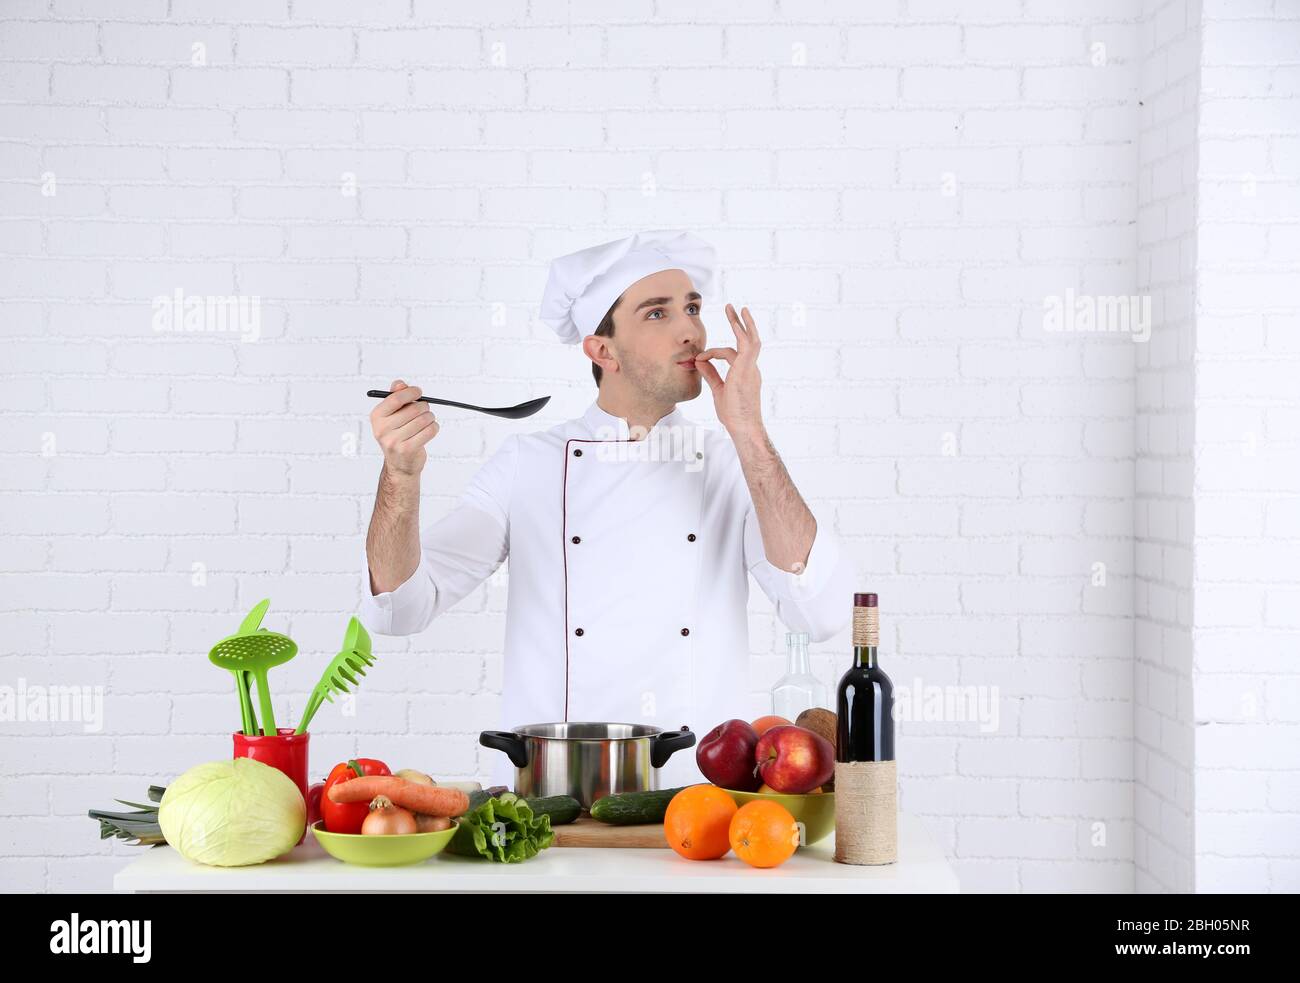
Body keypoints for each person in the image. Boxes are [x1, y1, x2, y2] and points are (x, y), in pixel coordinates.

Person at [360, 229, 854, 789]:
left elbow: (821, 612)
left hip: (699, 803)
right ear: (602, 350)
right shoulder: (529, 463)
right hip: (549, 798)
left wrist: (749, 431)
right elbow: (398, 610)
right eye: (657, 313)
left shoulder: (733, 461)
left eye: (692, 307)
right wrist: (400, 479)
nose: (691, 328)